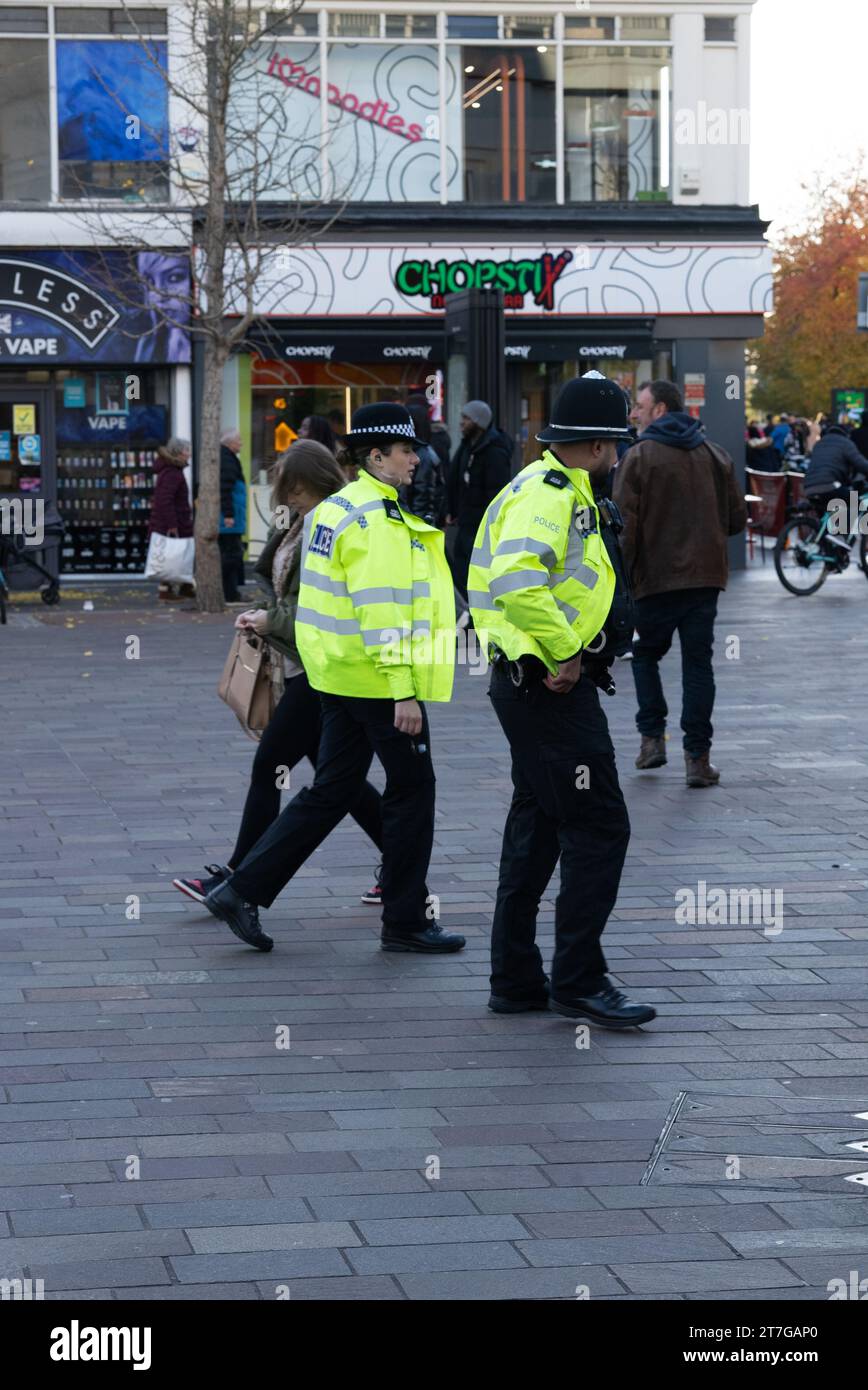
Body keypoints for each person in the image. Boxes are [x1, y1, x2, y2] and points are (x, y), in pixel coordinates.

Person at [204, 403, 465, 956]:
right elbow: (380, 610)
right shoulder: (377, 522)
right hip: (377, 681)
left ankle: (241, 889)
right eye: (405, 451)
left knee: (332, 790)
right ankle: (406, 921)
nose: (415, 459)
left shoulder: (335, 512)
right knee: (413, 792)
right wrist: (403, 688)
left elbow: (325, 605)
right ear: (376, 457)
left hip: (336, 678)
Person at [468, 372, 654, 1028]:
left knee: (538, 825)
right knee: (600, 825)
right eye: (618, 444)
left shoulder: (550, 488)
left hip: (530, 687)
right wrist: (563, 651)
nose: (621, 455)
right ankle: (578, 978)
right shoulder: (549, 495)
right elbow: (518, 583)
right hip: (546, 688)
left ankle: (515, 978)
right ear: (601, 446)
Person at [173, 441, 384, 909]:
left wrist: (272, 620)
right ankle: (403, 862)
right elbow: (287, 593)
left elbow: (323, 604)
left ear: (315, 482)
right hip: (302, 663)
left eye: (295, 488)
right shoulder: (298, 524)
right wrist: (265, 613)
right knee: (339, 781)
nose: (287, 496)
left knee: (273, 766)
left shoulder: (327, 524)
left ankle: (236, 877)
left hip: (320, 667)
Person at [613, 380, 747, 789]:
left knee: (643, 655)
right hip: (704, 581)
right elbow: (736, 520)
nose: (634, 414)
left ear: (660, 410)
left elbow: (623, 528)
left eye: (639, 406)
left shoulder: (638, 458)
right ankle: (697, 759)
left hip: (654, 581)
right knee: (698, 664)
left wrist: (624, 580)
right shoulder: (714, 453)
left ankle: (652, 739)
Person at [445, 401, 513, 600]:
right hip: (465, 523)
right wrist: (451, 510)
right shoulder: (468, 446)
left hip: (481, 528)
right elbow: (455, 480)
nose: (461, 423)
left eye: (467, 418)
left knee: (475, 577)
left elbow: (497, 493)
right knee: (460, 574)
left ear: (479, 422)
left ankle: (473, 622)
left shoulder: (494, 451)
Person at [803, 419, 868, 563]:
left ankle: (832, 555)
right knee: (855, 503)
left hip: (809, 487)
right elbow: (860, 463)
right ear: (845, 434)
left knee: (825, 522)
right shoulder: (846, 443)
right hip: (828, 485)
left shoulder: (819, 444)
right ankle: (841, 539)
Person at [149, 437, 193, 602]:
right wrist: (173, 525)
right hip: (174, 522)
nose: (189, 454)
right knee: (174, 555)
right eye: (187, 451)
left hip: (173, 520)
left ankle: (182, 587)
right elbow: (165, 500)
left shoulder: (171, 470)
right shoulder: (172, 473)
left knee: (176, 556)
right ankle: (169, 590)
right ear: (180, 452)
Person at [400, 404, 444, 524]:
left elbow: (423, 494)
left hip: (416, 520)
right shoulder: (423, 451)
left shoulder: (423, 454)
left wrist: (417, 522)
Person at [219, 429, 247, 602]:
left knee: (231, 554)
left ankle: (230, 591)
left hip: (230, 516)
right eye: (239, 440)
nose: (241, 443)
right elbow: (225, 488)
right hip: (230, 518)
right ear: (230, 443)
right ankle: (230, 593)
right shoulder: (228, 461)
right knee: (232, 555)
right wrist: (228, 514)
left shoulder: (226, 458)